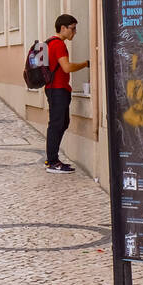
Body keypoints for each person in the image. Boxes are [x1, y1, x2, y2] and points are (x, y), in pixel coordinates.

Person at [46, 14, 89, 174]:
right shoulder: (58, 45)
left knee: (61, 123)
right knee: (57, 124)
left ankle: (51, 159)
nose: (75, 32)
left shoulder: (50, 43)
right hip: (57, 89)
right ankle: (52, 162)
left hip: (54, 88)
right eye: (72, 28)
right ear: (63, 28)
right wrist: (85, 64)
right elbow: (67, 67)